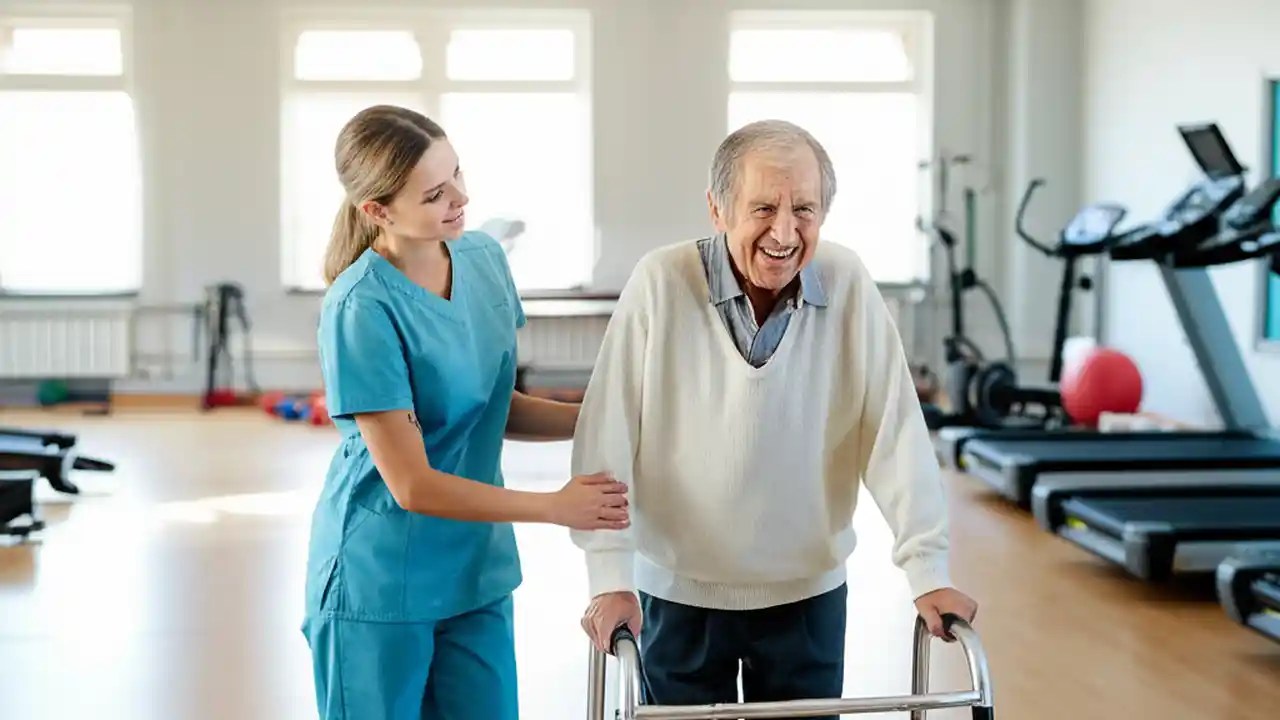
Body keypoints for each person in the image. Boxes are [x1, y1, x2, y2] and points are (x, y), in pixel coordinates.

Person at [571, 119, 979, 716]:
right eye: (762, 207)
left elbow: (896, 435)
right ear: (717, 208)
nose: (785, 231)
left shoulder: (846, 282)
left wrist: (928, 569)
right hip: (678, 592)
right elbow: (607, 436)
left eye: (805, 209)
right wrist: (609, 576)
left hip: (806, 594)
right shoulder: (661, 282)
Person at [300, 105, 629, 720]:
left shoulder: (482, 259)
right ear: (377, 211)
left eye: (457, 174)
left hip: (476, 569)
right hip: (382, 579)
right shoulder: (360, 306)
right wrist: (555, 507)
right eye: (434, 194)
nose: (460, 197)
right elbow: (412, 483)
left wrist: (611, 417)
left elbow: (492, 408)